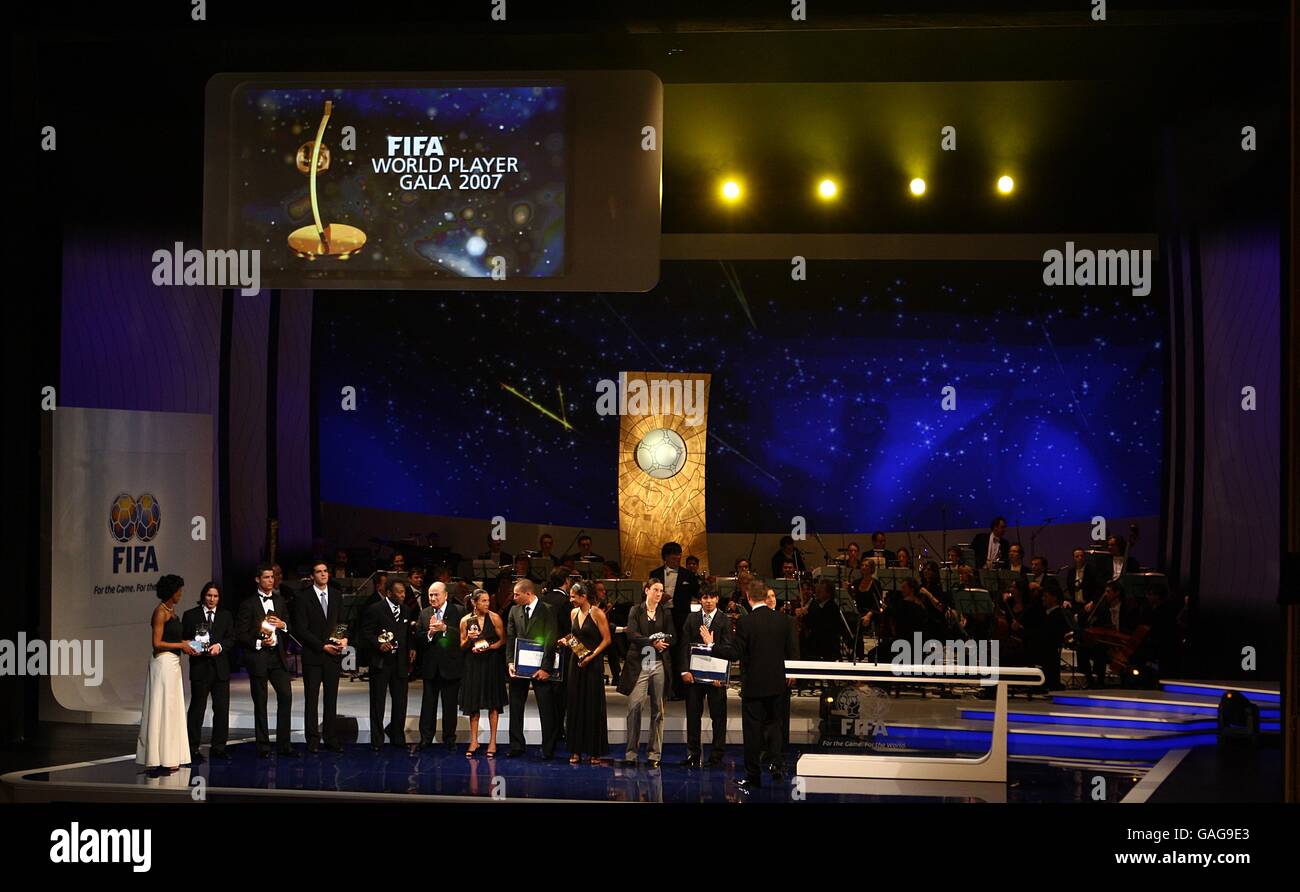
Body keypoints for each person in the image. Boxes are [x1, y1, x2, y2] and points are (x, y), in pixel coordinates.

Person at [735, 579, 798, 791]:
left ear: (748, 597)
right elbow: (791, 651)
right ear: (765, 596)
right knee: (775, 727)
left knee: (752, 732)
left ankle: (753, 777)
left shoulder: (745, 622)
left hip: (753, 686)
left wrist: (710, 645)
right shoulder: (783, 620)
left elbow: (736, 654)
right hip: (776, 684)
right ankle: (777, 767)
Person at [137, 574, 198, 773]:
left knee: (171, 709)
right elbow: (156, 644)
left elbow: (174, 638)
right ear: (172, 592)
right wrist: (181, 644)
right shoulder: (160, 613)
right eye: (179, 590)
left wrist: (190, 644)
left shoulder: (172, 611)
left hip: (173, 664)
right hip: (162, 664)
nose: (181, 593)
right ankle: (157, 756)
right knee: (161, 708)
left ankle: (171, 755)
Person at [237, 564, 295, 758]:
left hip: (277, 658)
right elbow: (241, 634)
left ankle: (284, 744)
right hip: (259, 657)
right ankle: (263, 746)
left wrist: (283, 625)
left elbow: (288, 625)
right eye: (266, 577)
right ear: (257, 580)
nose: (271, 580)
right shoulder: (248, 604)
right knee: (260, 702)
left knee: (286, 696)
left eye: (272, 577)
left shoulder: (280, 601)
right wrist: (259, 642)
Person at [618, 579, 675, 767]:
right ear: (647, 590)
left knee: (658, 709)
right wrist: (652, 643)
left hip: (658, 662)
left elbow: (672, 635)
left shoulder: (665, 612)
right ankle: (631, 753)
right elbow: (631, 634)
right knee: (634, 706)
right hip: (640, 662)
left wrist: (662, 641)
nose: (659, 594)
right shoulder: (636, 610)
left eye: (661, 591)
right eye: (656, 590)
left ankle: (654, 754)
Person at [678, 589, 737, 768]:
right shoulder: (692, 618)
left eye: (712, 597)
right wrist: (684, 671)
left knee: (718, 717)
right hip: (695, 676)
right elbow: (684, 646)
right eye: (705, 597)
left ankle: (717, 755)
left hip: (715, 678)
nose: (709, 601)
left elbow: (728, 648)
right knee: (693, 715)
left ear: (717, 599)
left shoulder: (724, 620)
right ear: (700, 599)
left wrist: (722, 676)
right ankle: (693, 754)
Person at [293, 560, 347, 753]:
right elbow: (301, 629)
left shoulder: (336, 595)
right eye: (319, 571)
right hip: (314, 655)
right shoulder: (303, 597)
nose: (323, 574)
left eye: (325, 571)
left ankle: (331, 738)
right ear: (312, 576)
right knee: (312, 699)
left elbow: (341, 621)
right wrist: (322, 646)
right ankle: (313, 740)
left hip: (333, 655)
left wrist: (343, 639)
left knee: (331, 699)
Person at [505, 579, 559, 759]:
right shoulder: (514, 611)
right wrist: (510, 662)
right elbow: (511, 638)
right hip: (519, 666)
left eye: (516, 594)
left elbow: (551, 640)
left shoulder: (548, 610)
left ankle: (549, 748)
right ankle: (516, 745)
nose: (513, 598)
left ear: (528, 593)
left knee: (546, 707)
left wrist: (546, 668)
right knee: (515, 705)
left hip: (540, 667)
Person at [558, 582, 611, 763]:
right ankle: (576, 750)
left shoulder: (597, 613)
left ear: (584, 596)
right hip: (576, 662)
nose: (571, 599)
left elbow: (607, 640)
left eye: (574, 596)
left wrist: (592, 656)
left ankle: (594, 751)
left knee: (592, 705)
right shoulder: (573, 613)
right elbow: (575, 637)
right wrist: (567, 640)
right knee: (575, 704)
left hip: (593, 664)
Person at [360, 579, 415, 750]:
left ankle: (398, 737)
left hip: (400, 662)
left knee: (400, 701)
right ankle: (377, 740)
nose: (403, 595)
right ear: (389, 593)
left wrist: (412, 648)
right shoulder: (375, 609)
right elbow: (365, 633)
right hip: (381, 662)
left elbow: (408, 633)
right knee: (378, 702)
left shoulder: (406, 610)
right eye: (399, 592)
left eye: (404, 592)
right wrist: (378, 643)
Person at [182, 580, 233, 762]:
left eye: (216, 596)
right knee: (197, 709)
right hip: (200, 668)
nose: (212, 599)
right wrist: (196, 647)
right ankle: (192, 748)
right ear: (203, 596)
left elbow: (231, 639)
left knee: (221, 710)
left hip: (220, 670)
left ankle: (219, 748)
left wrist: (219, 646)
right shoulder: (190, 615)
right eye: (209, 595)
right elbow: (184, 641)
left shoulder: (226, 616)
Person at [417, 582, 465, 748]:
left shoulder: (458, 611)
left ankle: (449, 739)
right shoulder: (424, 613)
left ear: (445, 595)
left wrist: (444, 628)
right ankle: (425, 738)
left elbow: (462, 637)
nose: (433, 598)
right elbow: (419, 639)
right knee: (428, 705)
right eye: (430, 594)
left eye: (436, 594)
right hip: (430, 667)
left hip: (451, 667)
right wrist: (429, 633)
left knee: (450, 706)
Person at [649, 541, 699, 699]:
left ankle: (679, 689)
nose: (677, 561)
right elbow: (648, 597)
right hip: (661, 616)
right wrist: (658, 599)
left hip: (681, 617)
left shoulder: (688, 575)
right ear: (665, 558)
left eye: (678, 558)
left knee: (680, 651)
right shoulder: (655, 573)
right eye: (673, 558)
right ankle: (660, 689)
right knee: (660, 650)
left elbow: (698, 593)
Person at [459, 589, 506, 756]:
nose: (487, 604)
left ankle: (492, 742)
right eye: (483, 601)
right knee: (473, 704)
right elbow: (462, 645)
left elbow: (503, 640)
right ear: (474, 603)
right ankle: (474, 741)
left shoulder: (494, 618)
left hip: (491, 664)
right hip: (473, 665)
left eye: (488, 601)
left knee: (493, 704)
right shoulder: (465, 620)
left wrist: (490, 646)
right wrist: (469, 640)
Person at [541, 570, 574, 738]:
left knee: (547, 694)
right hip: (563, 651)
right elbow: (571, 630)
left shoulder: (543, 599)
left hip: (544, 651)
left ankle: (551, 731)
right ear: (566, 581)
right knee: (563, 693)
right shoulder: (566, 602)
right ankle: (561, 730)